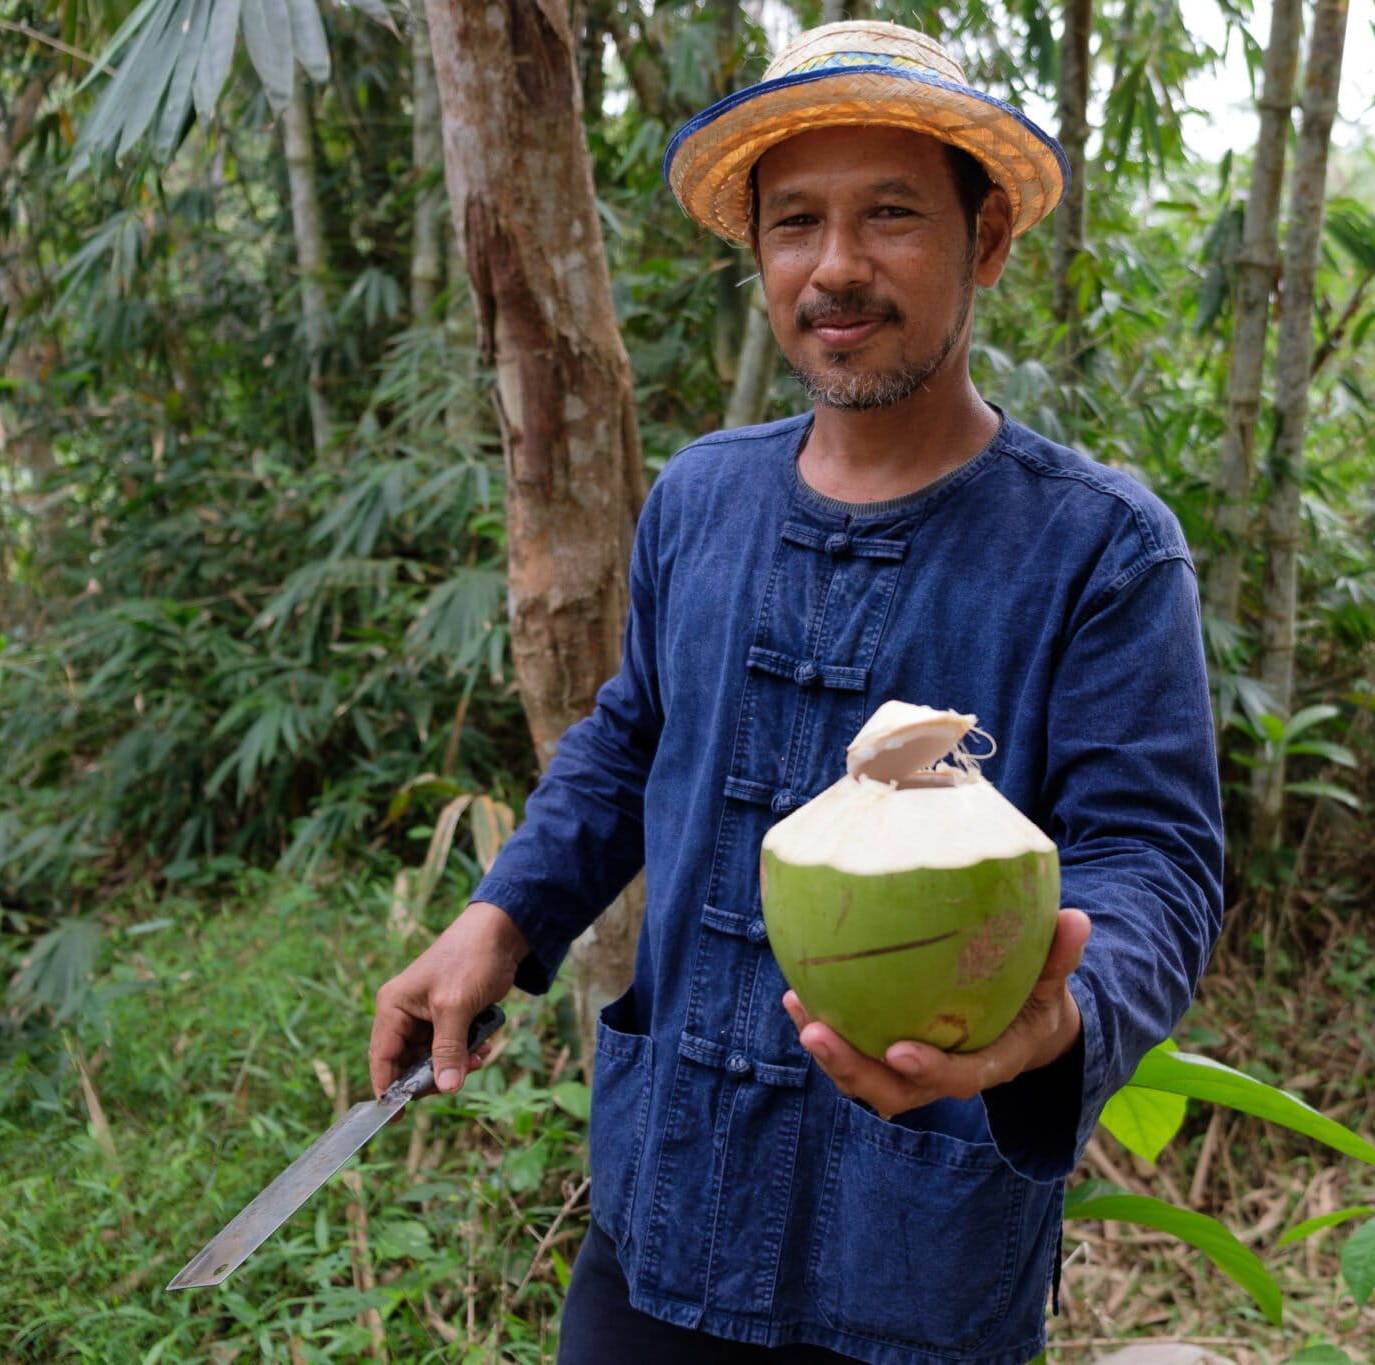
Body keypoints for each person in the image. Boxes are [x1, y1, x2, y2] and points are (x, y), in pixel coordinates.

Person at [369, 21, 1224, 1364]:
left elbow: (1155, 859)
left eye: (890, 214)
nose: (836, 267)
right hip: (663, 1208)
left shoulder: (1099, 550)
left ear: (987, 238)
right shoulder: (702, 497)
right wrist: (504, 914)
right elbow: (635, 738)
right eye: (795, 223)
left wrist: (1060, 1018)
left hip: (920, 1254)